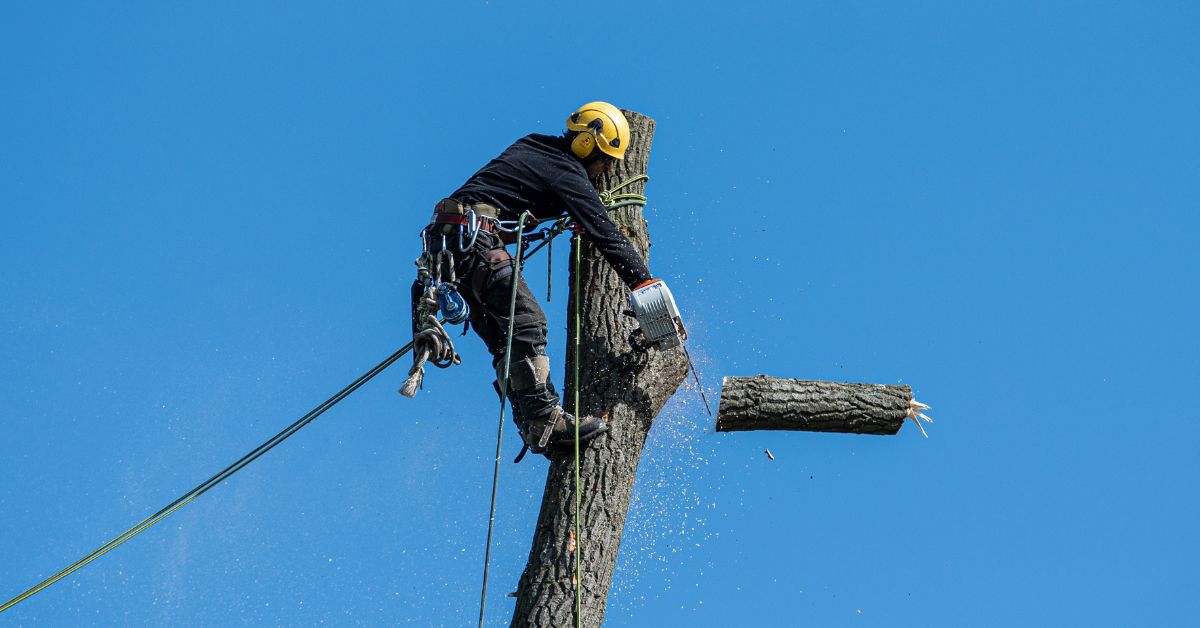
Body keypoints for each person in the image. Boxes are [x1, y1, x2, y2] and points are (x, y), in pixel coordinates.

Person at [416, 101, 669, 458]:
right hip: (473, 244)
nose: (605, 169)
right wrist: (647, 286)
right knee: (527, 322)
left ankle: (534, 426)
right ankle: (544, 417)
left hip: (451, 252)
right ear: (586, 146)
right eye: (606, 161)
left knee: (508, 341)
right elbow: (606, 234)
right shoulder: (566, 170)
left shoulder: (536, 146)